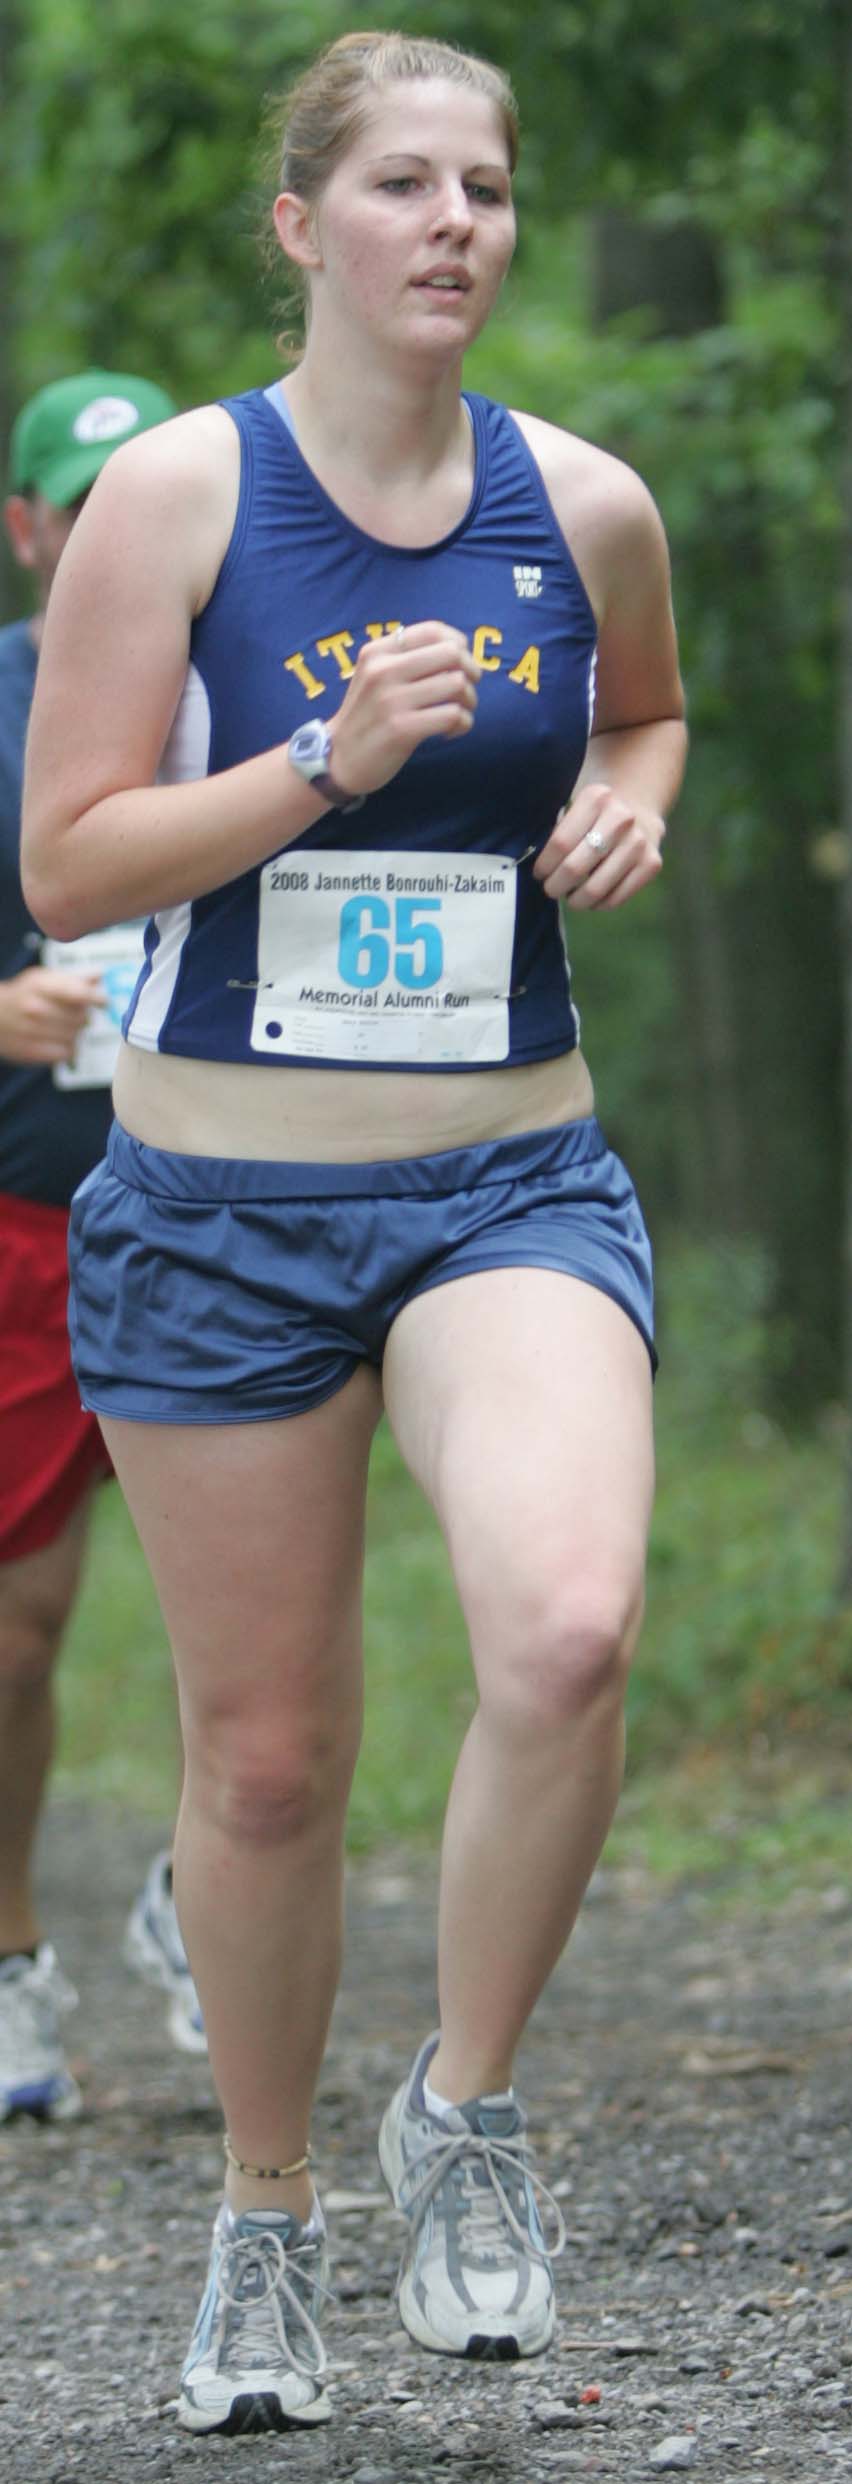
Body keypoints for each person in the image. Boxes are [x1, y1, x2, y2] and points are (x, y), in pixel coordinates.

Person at [21, 30, 686, 2435]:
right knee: (273, 1766)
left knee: (573, 1625)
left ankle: (469, 2116)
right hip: (220, 1209)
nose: (456, 224)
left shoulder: (588, 502)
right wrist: (322, 761)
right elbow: (71, 860)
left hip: (511, 1175)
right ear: (303, 224)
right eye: (402, 183)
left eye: (489, 189)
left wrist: (623, 795)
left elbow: (647, 714)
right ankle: (270, 2220)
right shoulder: (180, 502)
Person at [0, 370, 205, 2116]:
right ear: (28, 529)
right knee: (18, 1628)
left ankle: (206, 1904)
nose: (100, 540)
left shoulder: (250, 685)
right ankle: (9, 1967)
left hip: (229, 1191)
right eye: (77, 509)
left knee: (261, 1623)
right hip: (29, 1216)